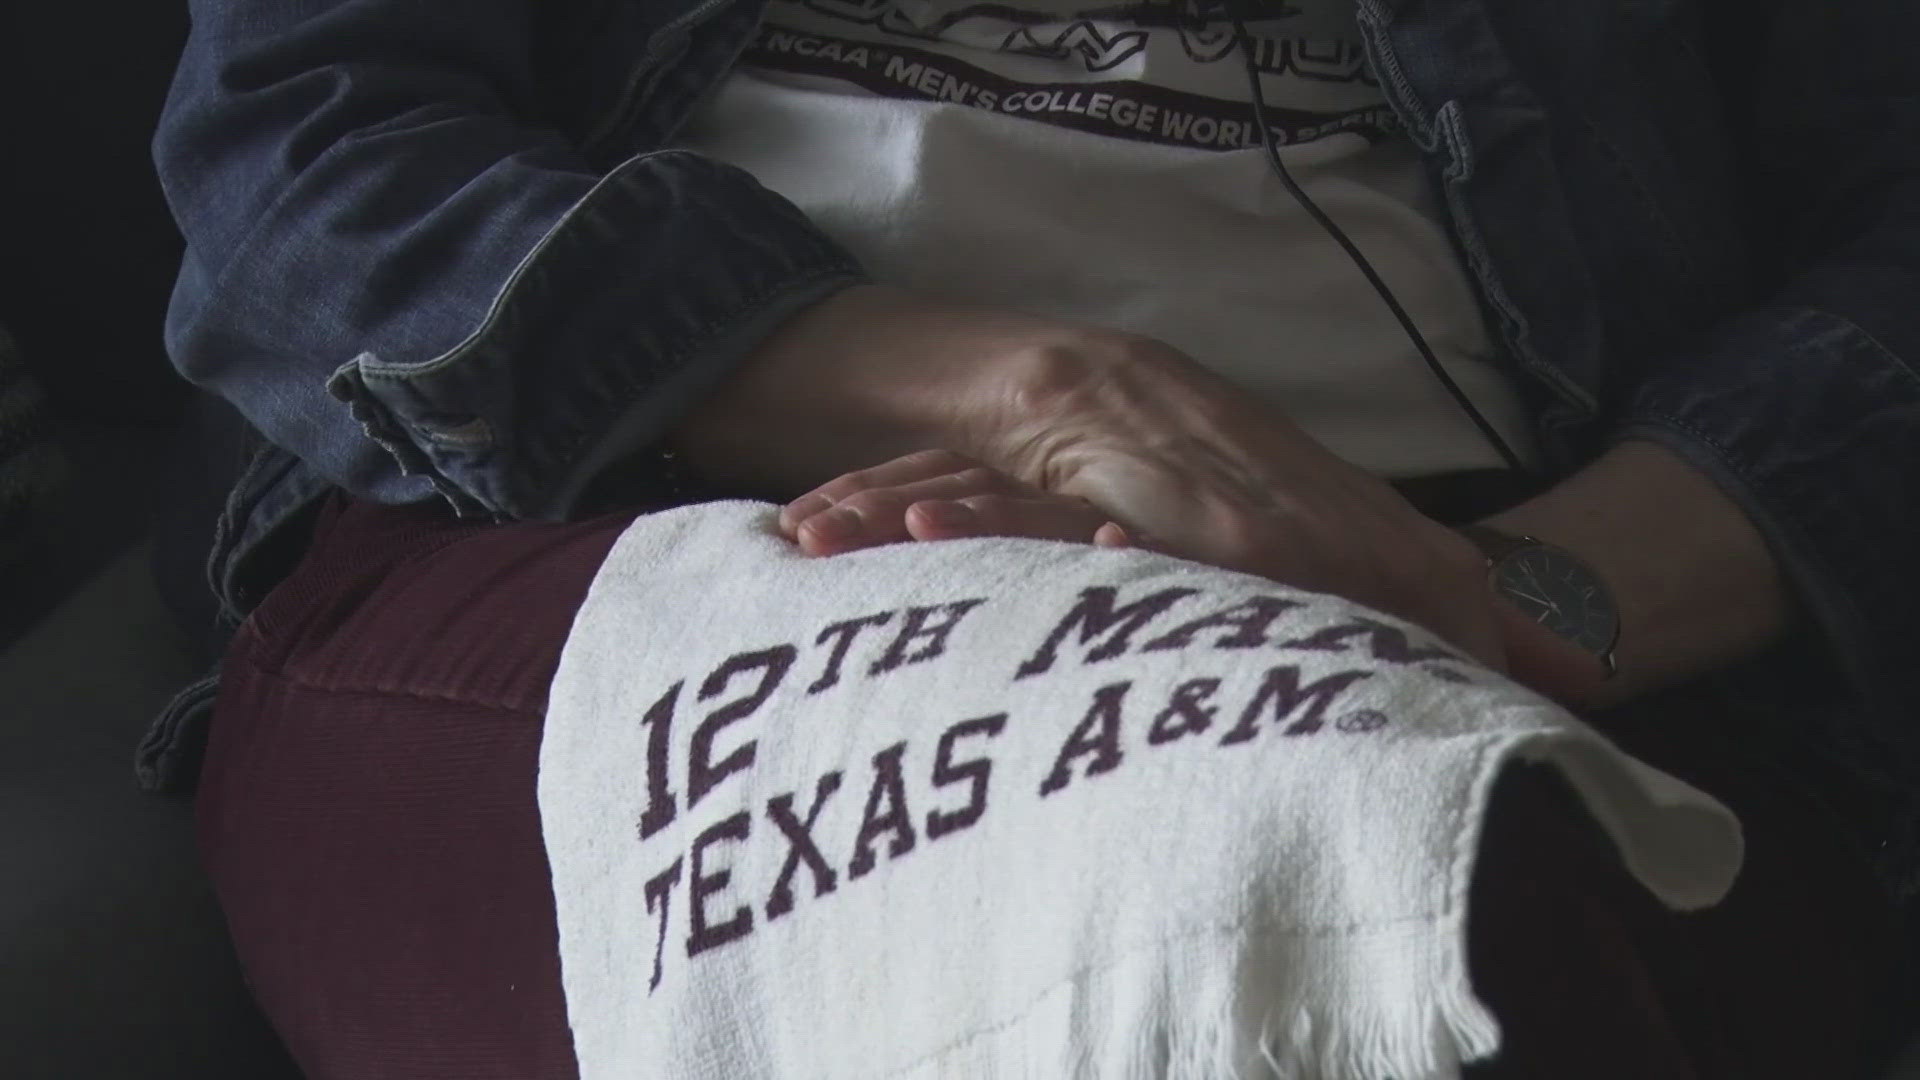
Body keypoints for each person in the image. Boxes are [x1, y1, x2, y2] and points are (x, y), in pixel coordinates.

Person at [147, 0, 1918, 1075]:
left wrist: (1528, 596)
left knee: (1447, 907)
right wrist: (1051, 398)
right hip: (621, 519)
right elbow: (305, 160)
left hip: (1499, 563)